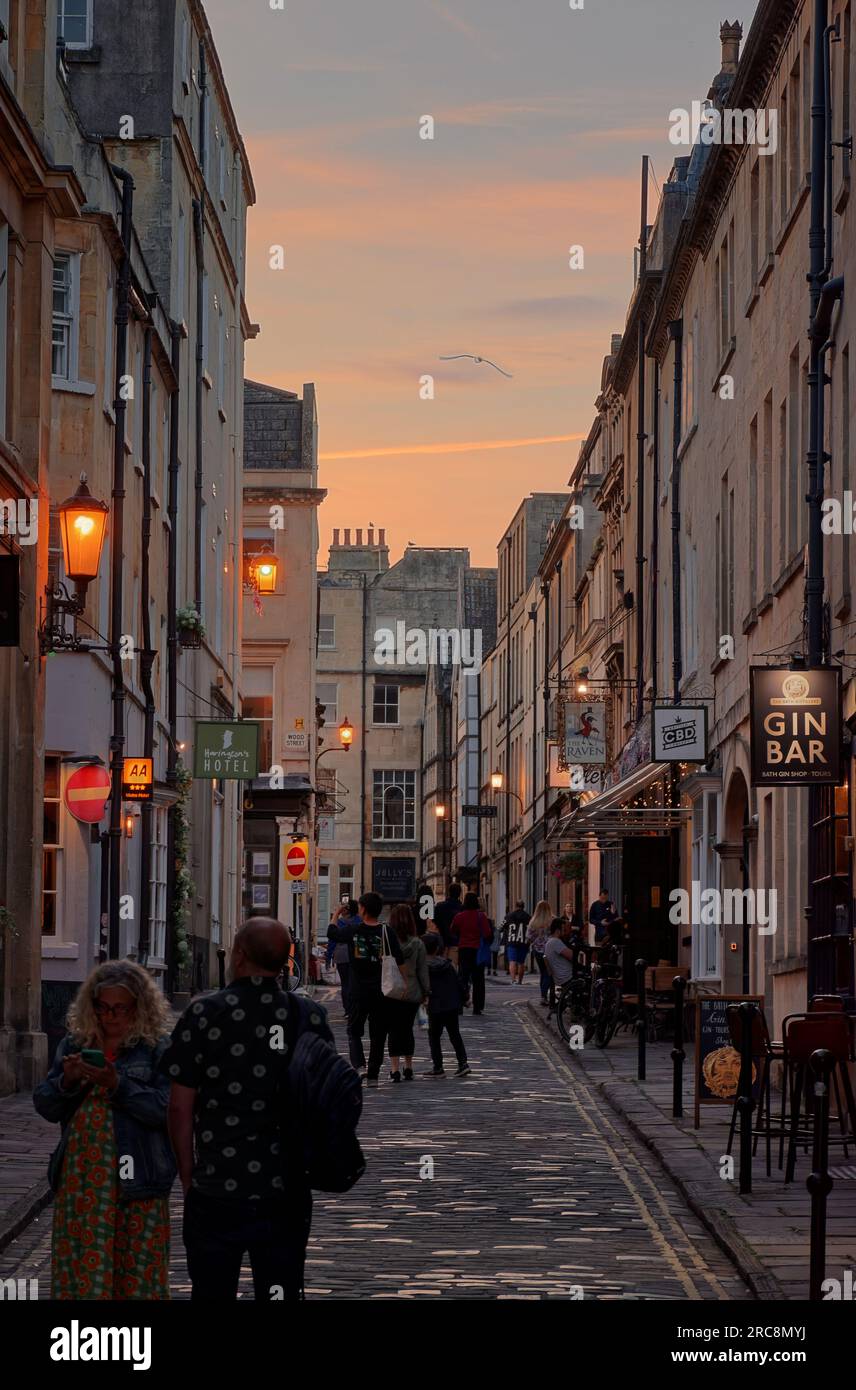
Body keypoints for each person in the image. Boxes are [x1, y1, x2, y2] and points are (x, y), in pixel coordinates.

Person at [161, 917, 335, 1301]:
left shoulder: (204, 1014)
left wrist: (188, 1178)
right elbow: (326, 1098)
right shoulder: (310, 1016)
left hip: (217, 1184)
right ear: (286, 960)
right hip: (285, 1188)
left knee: (211, 1292)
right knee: (280, 1290)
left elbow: (179, 1107)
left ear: (238, 956)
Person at [33, 960, 176, 1301]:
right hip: (83, 1182)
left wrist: (118, 1085)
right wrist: (67, 1081)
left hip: (138, 1179)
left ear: (138, 1007)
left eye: (119, 1009)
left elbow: (166, 1110)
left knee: (137, 1273)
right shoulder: (75, 1044)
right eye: (101, 1008)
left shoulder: (156, 1048)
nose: (109, 1016)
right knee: (84, 1270)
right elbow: (45, 1104)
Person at [328, 890, 402, 1084]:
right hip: (382, 991)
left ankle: (360, 1066)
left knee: (354, 1031)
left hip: (358, 990)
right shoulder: (387, 932)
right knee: (378, 1034)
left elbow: (332, 933)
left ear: (363, 909)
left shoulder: (354, 930)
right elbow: (400, 959)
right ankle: (374, 1074)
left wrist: (336, 913)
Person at [385, 903, 429, 1082]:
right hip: (411, 992)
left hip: (391, 991)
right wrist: (426, 992)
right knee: (407, 1029)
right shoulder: (418, 943)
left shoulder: (387, 943)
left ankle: (395, 1069)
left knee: (393, 1030)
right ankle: (409, 1066)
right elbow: (422, 971)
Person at [424, 934, 469, 1076]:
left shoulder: (424, 967)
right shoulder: (447, 965)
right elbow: (458, 983)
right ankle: (463, 1063)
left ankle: (438, 1067)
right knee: (454, 1033)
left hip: (435, 1005)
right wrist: (465, 998)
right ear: (438, 948)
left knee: (434, 1036)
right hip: (451, 1005)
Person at [453, 892, 493, 1015]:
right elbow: (487, 934)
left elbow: (453, 929)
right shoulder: (481, 917)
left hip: (464, 950)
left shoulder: (459, 916)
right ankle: (478, 1007)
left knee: (462, 978)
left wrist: (462, 936)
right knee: (478, 980)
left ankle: (459, 1005)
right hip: (478, 951)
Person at [327, 898, 360, 1017]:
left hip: (340, 954)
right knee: (353, 983)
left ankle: (347, 1009)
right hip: (356, 954)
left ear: (345, 909)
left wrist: (329, 956)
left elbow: (332, 939)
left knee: (345, 983)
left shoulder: (340, 922)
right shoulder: (359, 921)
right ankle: (353, 1008)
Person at [526, 900, 553, 1006]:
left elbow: (528, 938)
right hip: (549, 950)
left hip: (537, 951)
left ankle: (543, 996)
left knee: (543, 973)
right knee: (548, 973)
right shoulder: (552, 920)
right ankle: (544, 996)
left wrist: (536, 941)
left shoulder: (533, 922)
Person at [544, 917, 576, 993]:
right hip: (567, 977)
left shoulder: (550, 941)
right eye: (563, 929)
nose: (565, 932)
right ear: (558, 931)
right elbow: (573, 956)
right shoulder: (555, 942)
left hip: (561, 976)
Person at [504, 901, 531, 984]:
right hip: (523, 941)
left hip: (511, 941)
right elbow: (531, 928)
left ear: (515, 906)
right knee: (521, 962)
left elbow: (501, 927)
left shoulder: (509, 916)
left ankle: (513, 980)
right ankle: (520, 981)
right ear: (523, 906)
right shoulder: (528, 917)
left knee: (512, 961)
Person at [432, 882, 463, 952]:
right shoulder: (462, 909)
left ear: (449, 892)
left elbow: (434, 922)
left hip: (442, 941)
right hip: (458, 943)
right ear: (459, 894)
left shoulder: (439, 906)